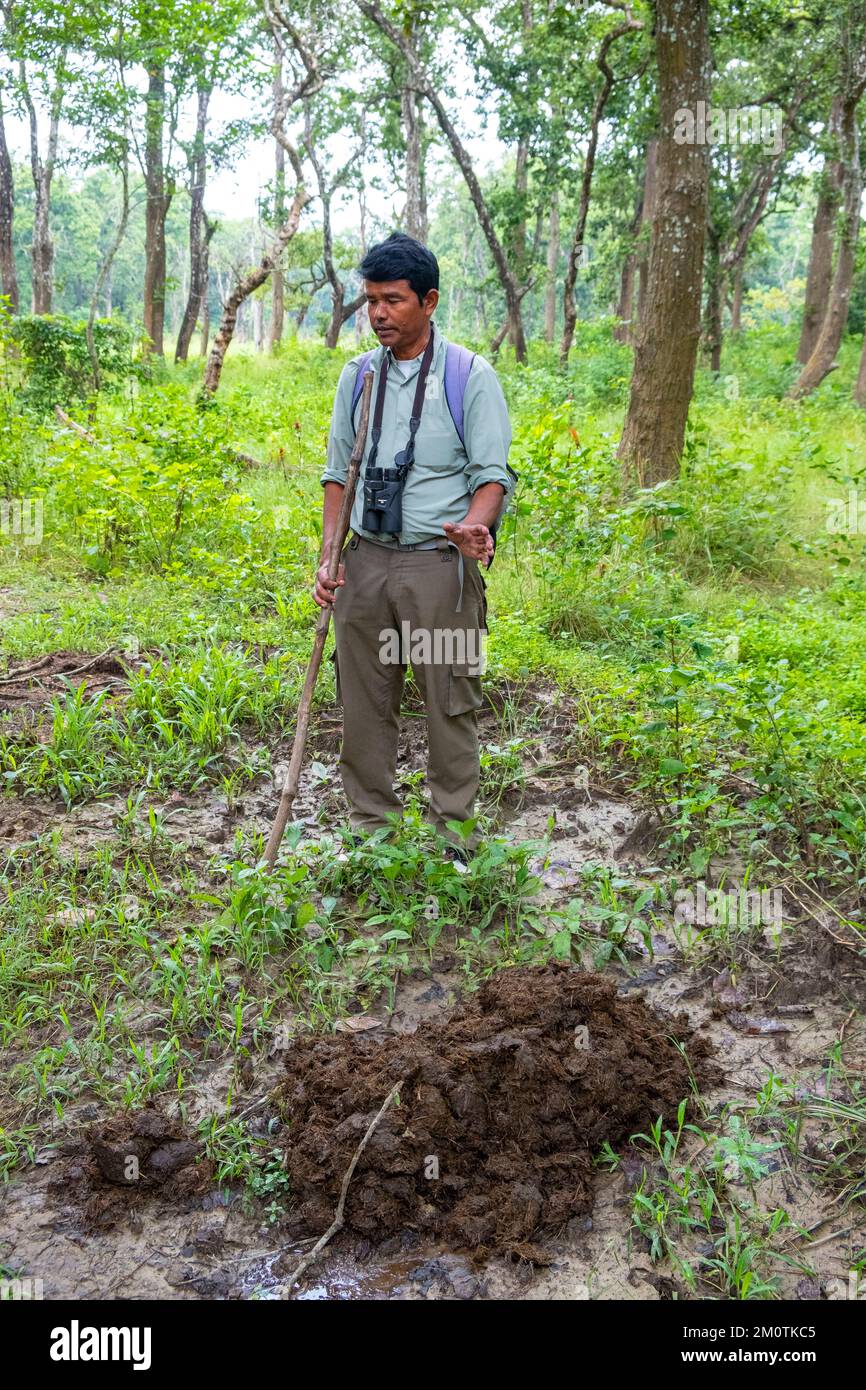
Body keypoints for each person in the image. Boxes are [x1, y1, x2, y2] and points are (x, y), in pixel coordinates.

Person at [314, 232, 515, 852]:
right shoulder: (358, 376)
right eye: (371, 300)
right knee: (363, 705)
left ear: (428, 302)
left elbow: (492, 476)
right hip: (366, 563)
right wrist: (329, 555)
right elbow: (337, 473)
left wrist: (473, 527)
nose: (378, 314)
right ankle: (372, 829)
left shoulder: (468, 376)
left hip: (438, 567)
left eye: (393, 300)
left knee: (449, 703)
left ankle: (452, 835)